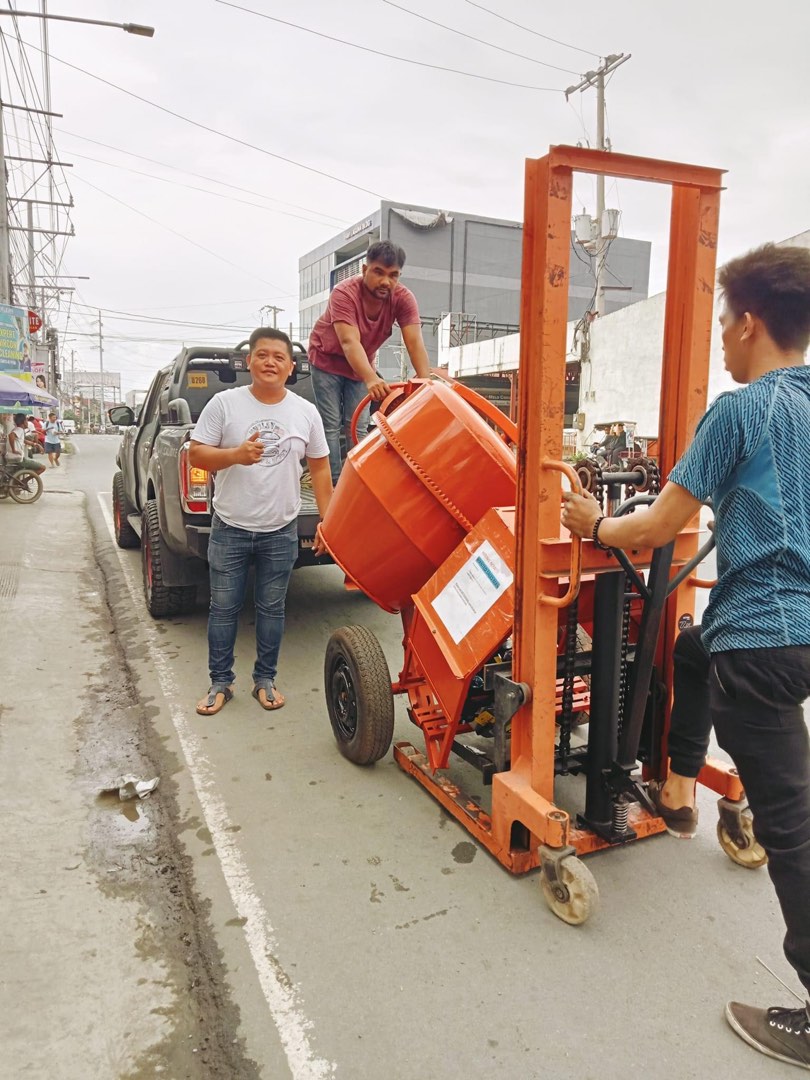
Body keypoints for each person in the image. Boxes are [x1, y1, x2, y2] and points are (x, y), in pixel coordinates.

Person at [561, 243, 810, 1069]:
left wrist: (589, 523)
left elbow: (657, 527)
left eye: (722, 328)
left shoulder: (742, 412)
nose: (722, 345)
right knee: (692, 649)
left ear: (748, 323)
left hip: (766, 640)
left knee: (796, 830)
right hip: (797, 631)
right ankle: (675, 787)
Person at [189, 328, 332, 716]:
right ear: (249, 362)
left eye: (279, 357)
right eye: (262, 355)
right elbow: (197, 456)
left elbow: (320, 468)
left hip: (280, 530)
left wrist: (327, 520)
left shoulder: (305, 411)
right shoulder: (224, 404)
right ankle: (220, 682)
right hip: (230, 527)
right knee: (223, 608)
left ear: (291, 367)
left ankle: (265, 680)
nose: (270, 362)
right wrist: (235, 455)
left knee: (272, 609)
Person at [308, 239, 432, 484]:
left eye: (393, 275)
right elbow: (349, 342)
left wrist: (425, 382)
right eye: (378, 272)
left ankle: (357, 482)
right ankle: (334, 485)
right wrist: (371, 378)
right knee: (331, 426)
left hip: (361, 365)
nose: (386, 281)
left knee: (356, 426)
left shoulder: (403, 298)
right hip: (326, 360)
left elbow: (414, 341)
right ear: (365, 270)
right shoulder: (344, 293)